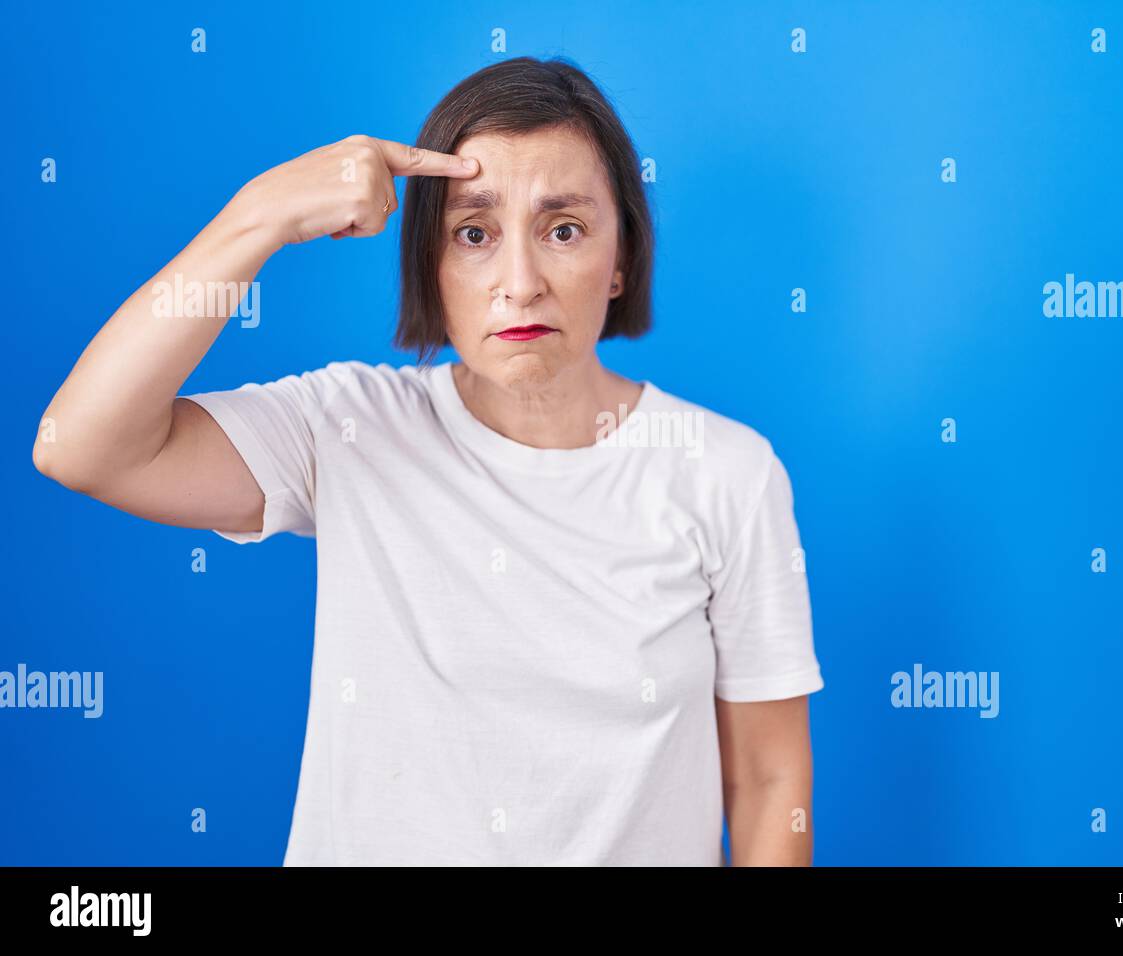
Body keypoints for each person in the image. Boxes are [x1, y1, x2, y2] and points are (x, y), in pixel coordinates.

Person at [32, 56, 825, 866]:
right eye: (474, 234)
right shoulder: (345, 427)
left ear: (620, 257)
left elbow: (767, 782)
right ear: (431, 266)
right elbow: (82, 446)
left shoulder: (726, 472)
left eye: (563, 230)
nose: (519, 283)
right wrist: (256, 218)